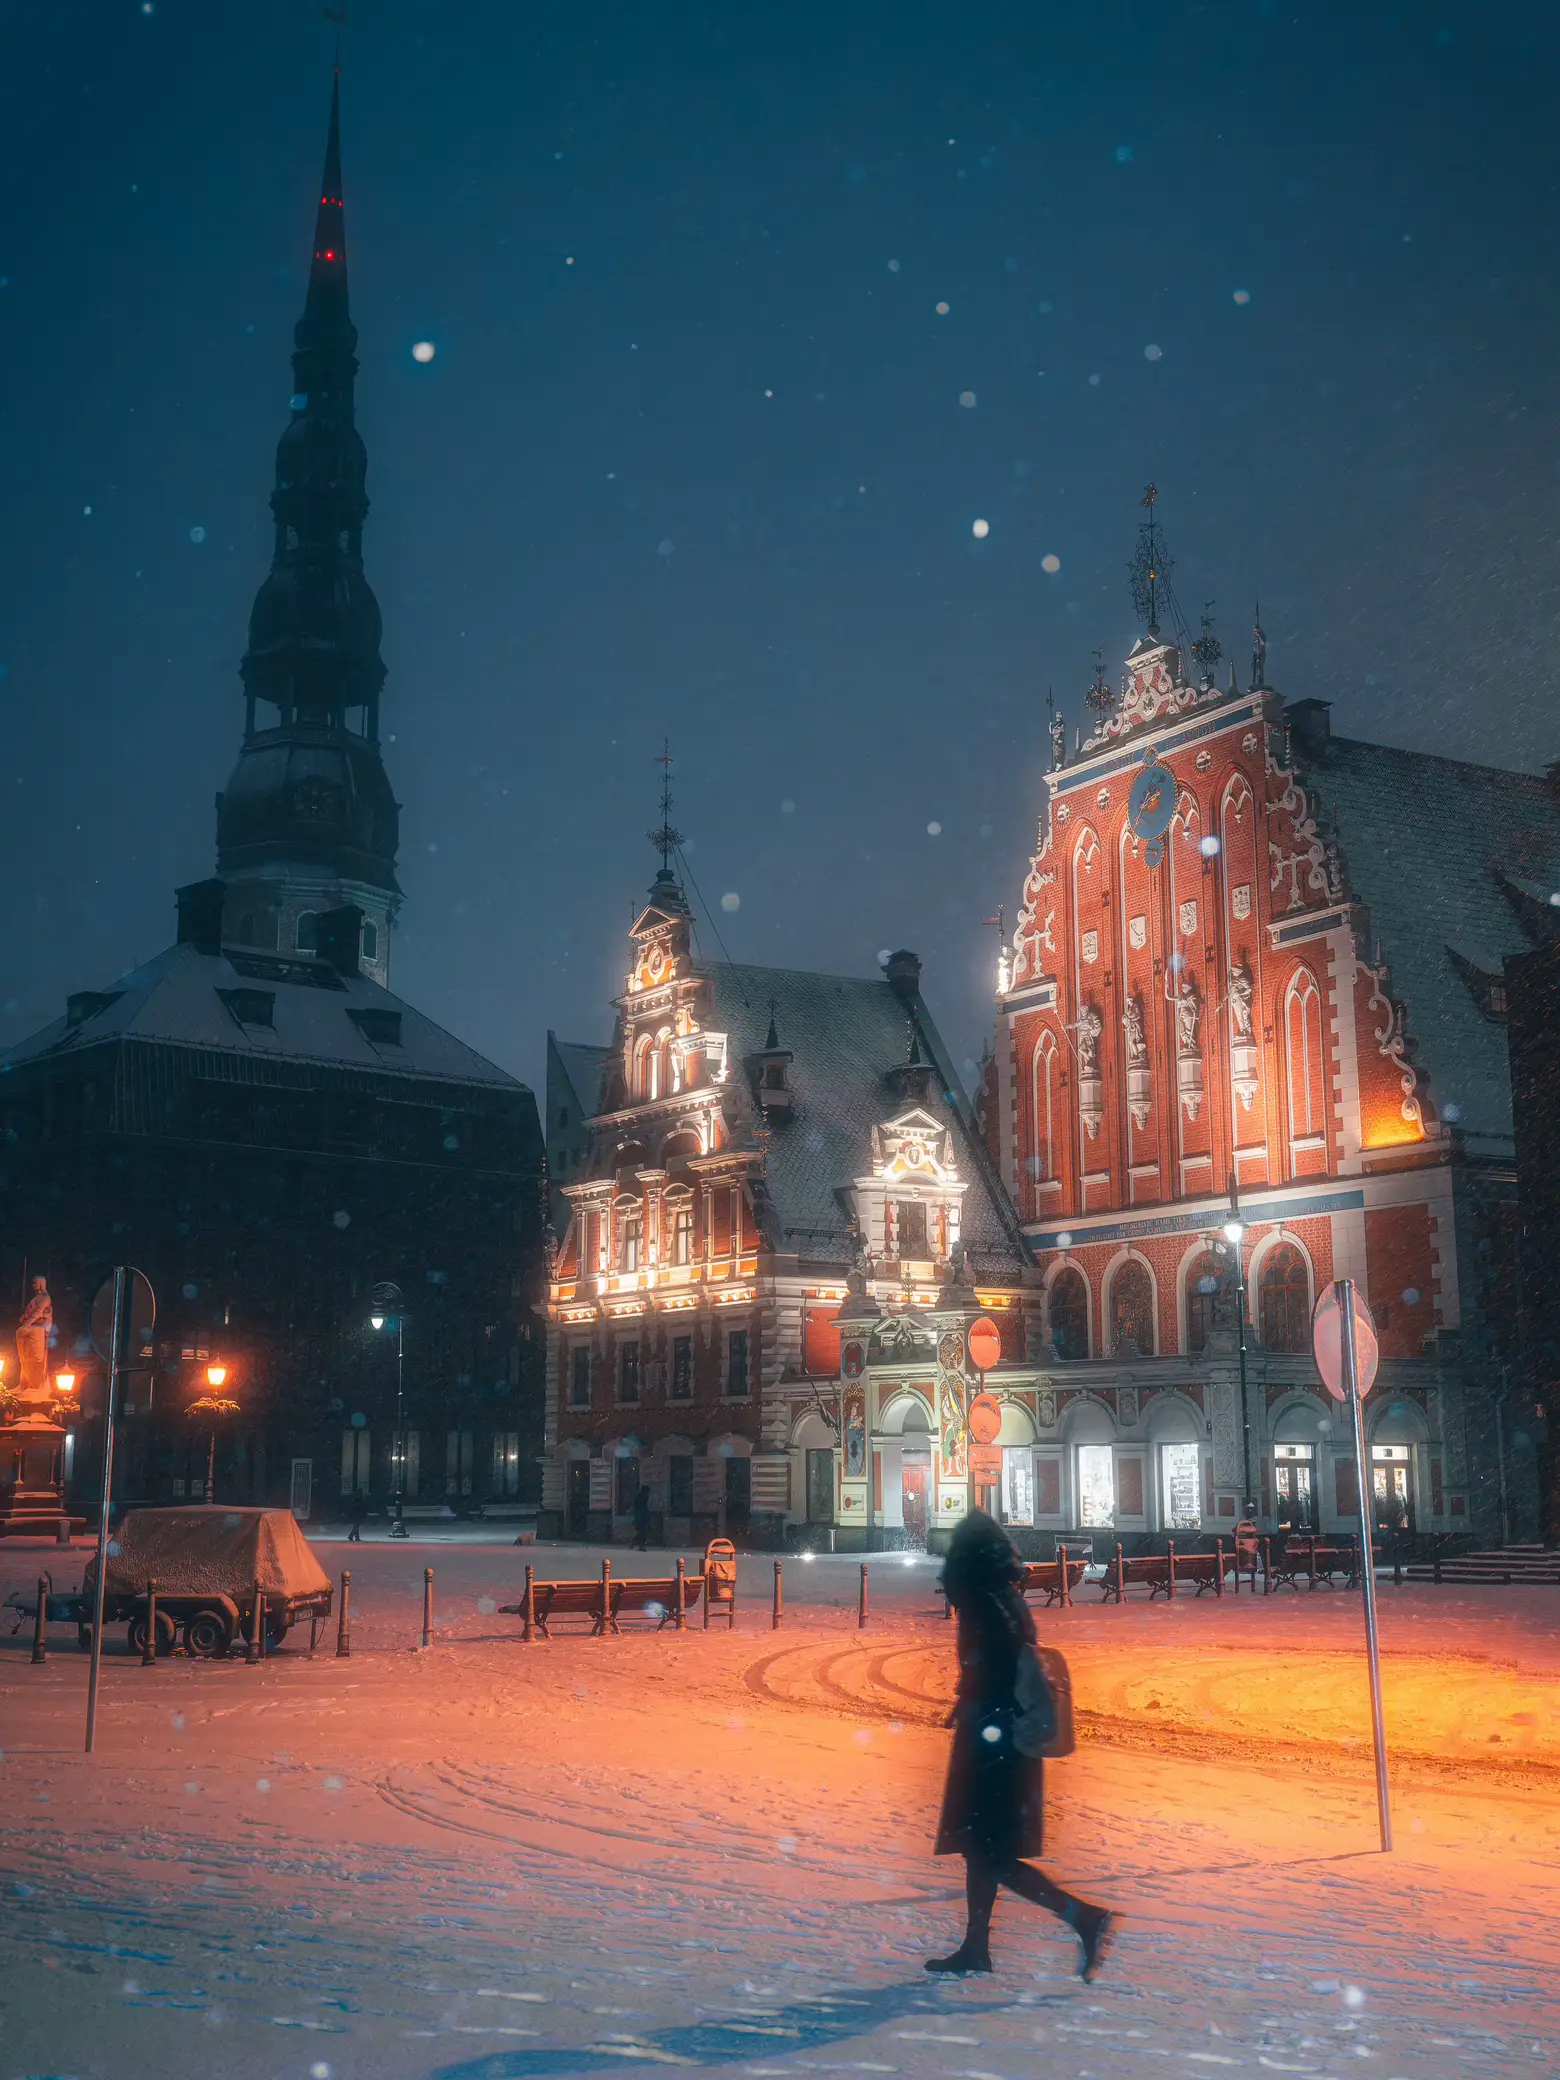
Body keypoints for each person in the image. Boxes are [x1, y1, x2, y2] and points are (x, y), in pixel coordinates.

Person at [927, 1510, 1118, 1980]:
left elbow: (995, 1667)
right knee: (982, 1850)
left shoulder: (983, 1599)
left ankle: (1083, 1918)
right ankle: (976, 1947)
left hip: (993, 1742)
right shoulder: (1002, 1595)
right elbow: (998, 1662)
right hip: (999, 1736)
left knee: (991, 1853)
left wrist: (976, 1707)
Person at [631, 1481, 652, 1552]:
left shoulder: (639, 1499)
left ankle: (635, 1544)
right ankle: (640, 1545)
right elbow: (644, 1510)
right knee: (642, 1533)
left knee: (640, 1532)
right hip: (642, 1518)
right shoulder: (642, 1501)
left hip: (640, 1518)